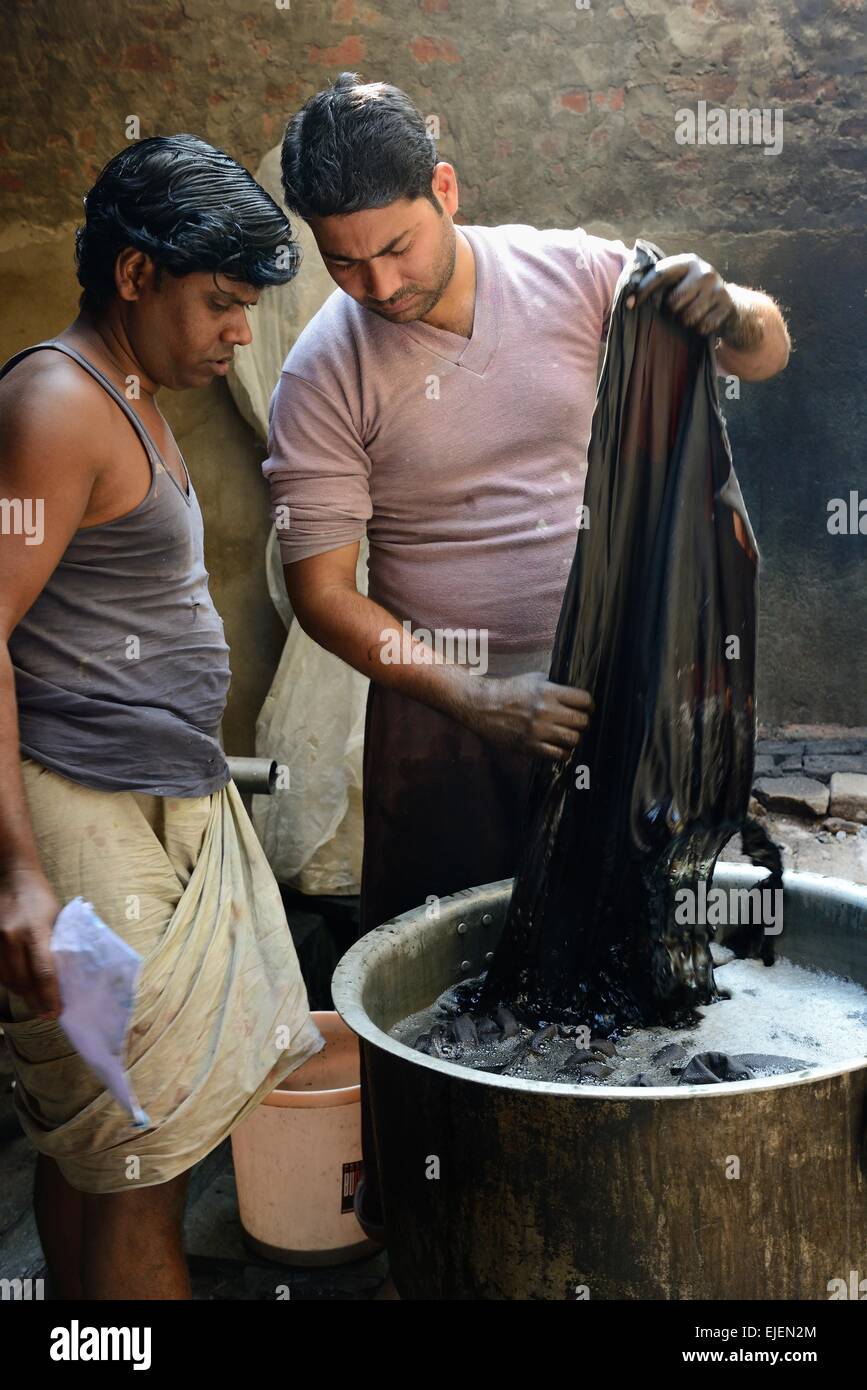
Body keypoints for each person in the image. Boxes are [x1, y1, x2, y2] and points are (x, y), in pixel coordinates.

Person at [264, 73, 791, 1238]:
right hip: (445, 718)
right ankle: (464, 1217)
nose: (378, 287)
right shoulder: (324, 368)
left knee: (635, 943)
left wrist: (732, 307)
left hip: (615, 696)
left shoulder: (579, 276)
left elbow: (762, 350)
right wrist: (480, 698)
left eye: (396, 246)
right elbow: (321, 594)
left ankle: (627, 1201)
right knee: (453, 976)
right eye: (343, 263)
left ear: (444, 190)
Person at [0, 135, 324, 1300]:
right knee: (140, 1156)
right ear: (135, 277)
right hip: (79, 805)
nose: (240, 332)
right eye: (222, 303)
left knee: (94, 1145)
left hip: (153, 796)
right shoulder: (55, 403)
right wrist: (20, 875)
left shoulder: (133, 392)